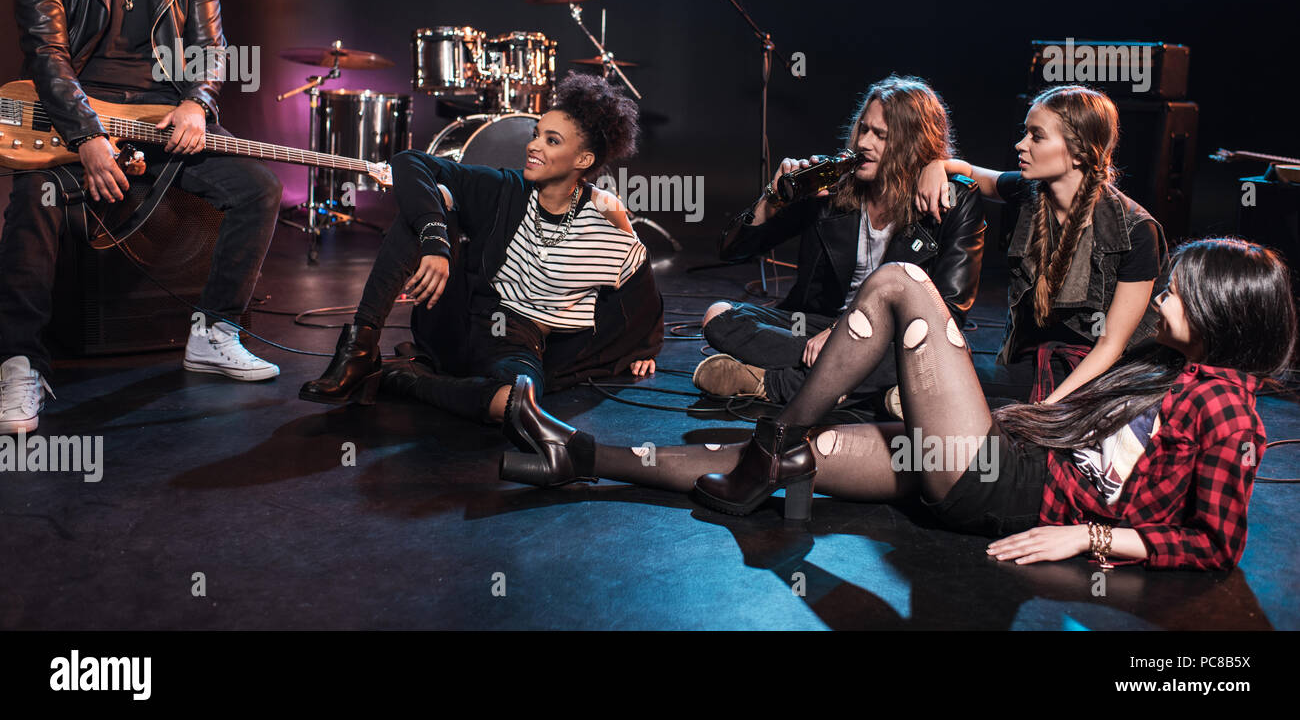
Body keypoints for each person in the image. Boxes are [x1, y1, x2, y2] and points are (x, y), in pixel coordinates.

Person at [500, 238, 1294, 571]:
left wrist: (1087, 537)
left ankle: (776, 438)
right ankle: (582, 457)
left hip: (997, 480)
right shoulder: (1167, 367)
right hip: (988, 456)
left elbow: (1215, 542)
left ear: (1230, 310)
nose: (1168, 292)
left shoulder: (1231, 412)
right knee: (785, 463)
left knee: (903, 283)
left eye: (1186, 288)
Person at [0, 0, 282, 434]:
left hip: (159, 123)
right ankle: (19, 361)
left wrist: (197, 103)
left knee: (256, 188)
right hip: (78, 120)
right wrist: (88, 137)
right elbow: (46, 56)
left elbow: (210, 50)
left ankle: (214, 331)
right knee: (36, 199)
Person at [300, 72, 662, 426]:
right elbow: (409, 161)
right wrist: (436, 242)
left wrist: (644, 347)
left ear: (583, 160)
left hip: (519, 344)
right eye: (536, 134)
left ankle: (408, 382)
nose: (533, 145)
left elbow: (637, 287)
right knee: (427, 206)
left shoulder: (605, 210)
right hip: (464, 319)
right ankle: (360, 348)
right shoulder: (504, 188)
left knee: (517, 404)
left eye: (552, 141)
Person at [696, 75, 985, 414]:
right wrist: (772, 198)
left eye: (880, 135)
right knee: (718, 316)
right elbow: (734, 251)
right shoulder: (829, 185)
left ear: (912, 144)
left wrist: (842, 334)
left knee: (943, 352)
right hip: (816, 328)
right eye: (863, 129)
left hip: (894, 338)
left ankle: (776, 384)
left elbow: (947, 314)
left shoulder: (954, 198)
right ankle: (877, 392)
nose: (864, 142)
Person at [916, 84, 1165, 405]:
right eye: (1025, 133)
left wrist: (1049, 407)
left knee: (941, 381)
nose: (1020, 145)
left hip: (1094, 379)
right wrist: (938, 165)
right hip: (1030, 365)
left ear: (1078, 151)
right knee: (935, 374)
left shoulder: (1136, 231)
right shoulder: (1029, 192)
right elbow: (978, 175)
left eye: (1037, 136)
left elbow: (1111, 347)